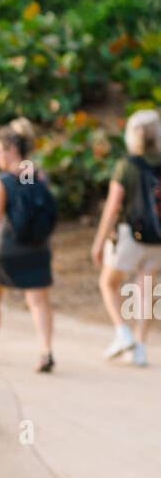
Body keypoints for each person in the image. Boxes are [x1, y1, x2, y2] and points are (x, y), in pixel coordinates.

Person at [0, 117, 57, 373]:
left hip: (5, 249)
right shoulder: (39, 175)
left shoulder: (3, 180)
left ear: (11, 149)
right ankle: (46, 351)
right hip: (37, 248)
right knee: (38, 300)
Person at [91, 107, 161, 368]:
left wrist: (99, 241)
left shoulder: (126, 166)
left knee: (109, 283)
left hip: (131, 236)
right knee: (145, 290)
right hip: (158, 239)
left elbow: (112, 206)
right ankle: (140, 346)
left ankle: (123, 332)